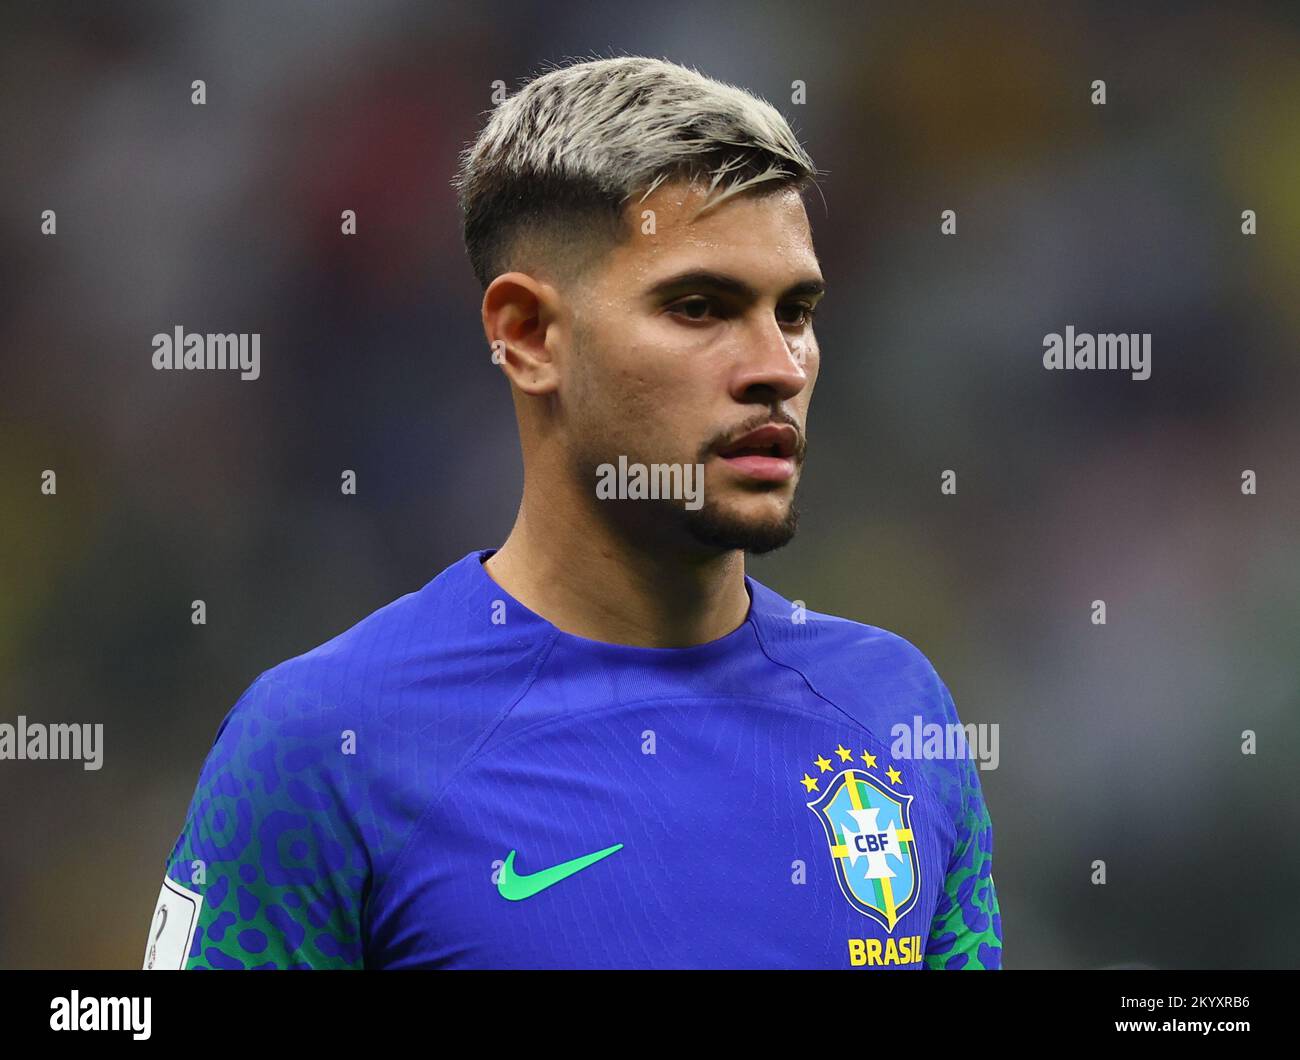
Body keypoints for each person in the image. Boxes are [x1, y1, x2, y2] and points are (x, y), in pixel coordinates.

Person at [145, 55, 1001, 969]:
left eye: (795, 312)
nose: (780, 369)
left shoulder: (894, 709)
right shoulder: (323, 745)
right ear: (526, 335)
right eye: (701, 307)